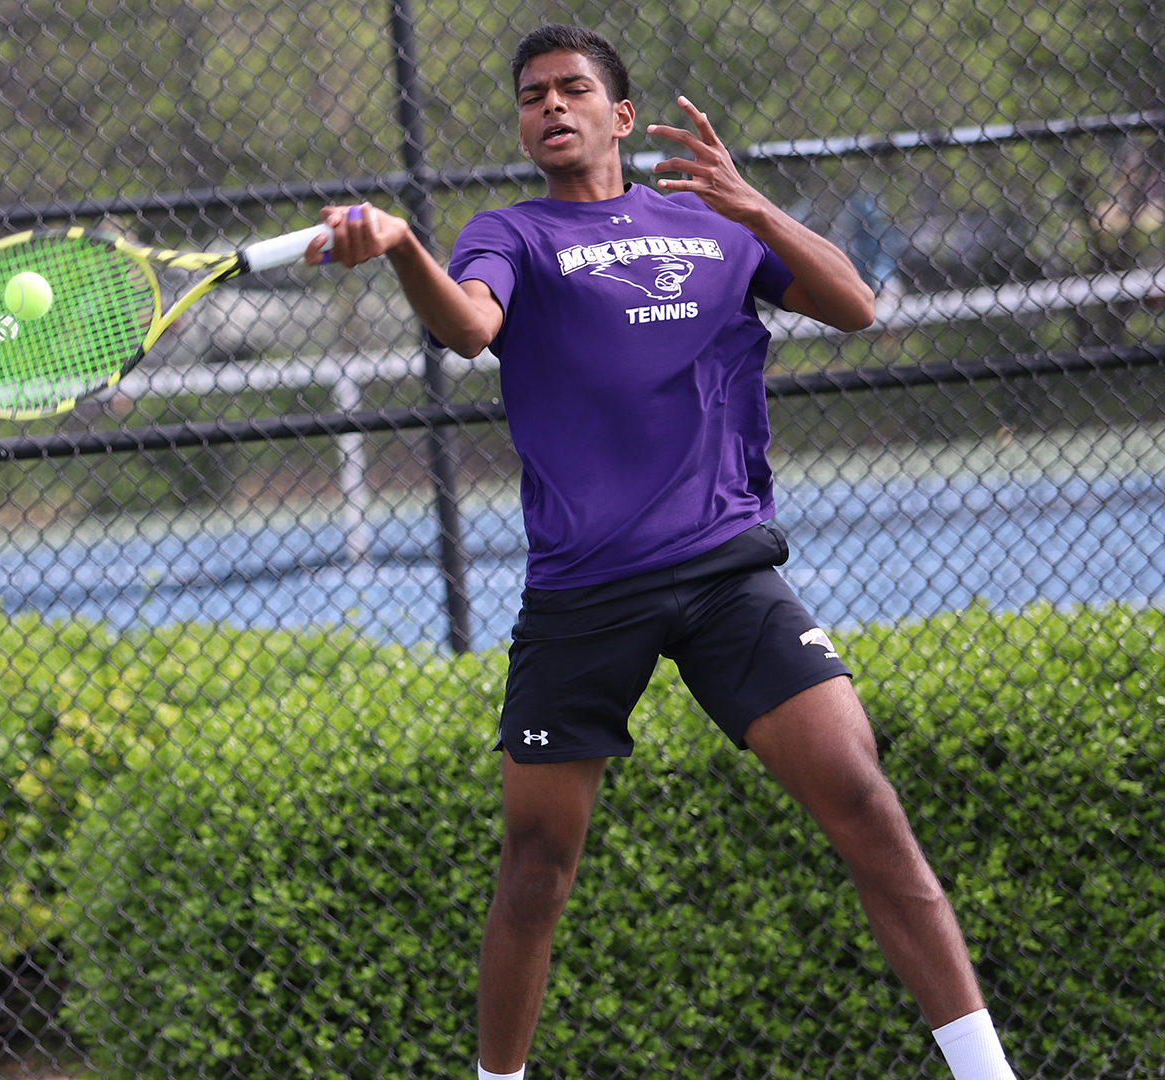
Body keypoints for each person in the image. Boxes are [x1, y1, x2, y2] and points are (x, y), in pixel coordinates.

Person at [304, 23, 1016, 1080]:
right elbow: (466, 328)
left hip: (729, 573)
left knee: (866, 801)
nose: (550, 106)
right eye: (532, 95)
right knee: (537, 866)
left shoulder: (713, 224)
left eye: (573, 89)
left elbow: (857, 308)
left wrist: (757, 206)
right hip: (585, 594)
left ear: (620, 117)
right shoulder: (511, 233)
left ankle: (985, 1074)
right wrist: (405, 245)